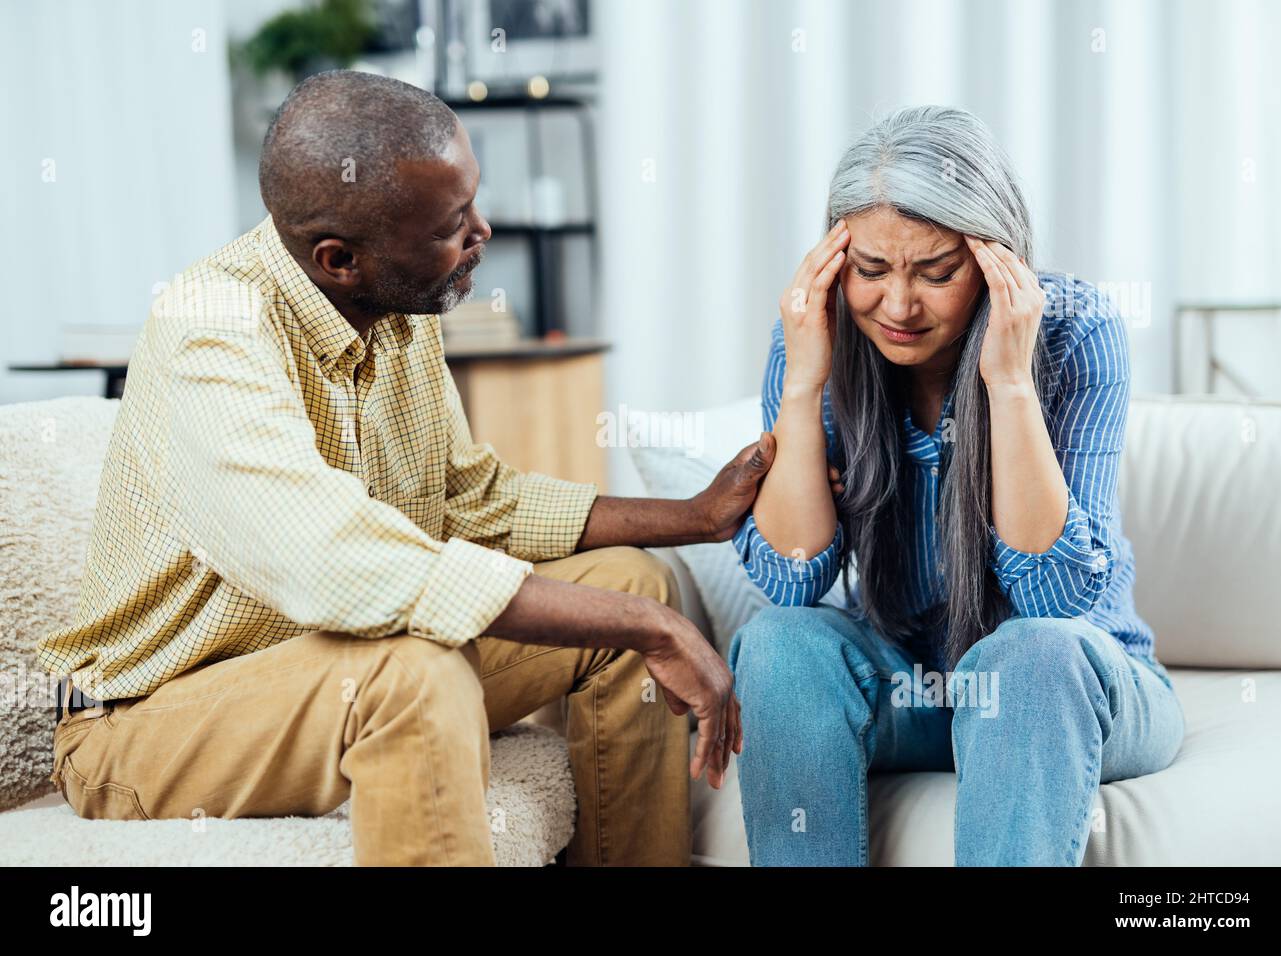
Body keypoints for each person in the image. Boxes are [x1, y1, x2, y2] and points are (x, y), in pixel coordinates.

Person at [37, 70, 764, 867]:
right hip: (144, 726)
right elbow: (334, 560)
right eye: (453, 225)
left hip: (325, 671)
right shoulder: (207, 329)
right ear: (339, 259)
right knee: (416, 673)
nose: (482, 232)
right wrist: (650, 629)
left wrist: (695, 518)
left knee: (631, 584)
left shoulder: (394, 307)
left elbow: (467, 500)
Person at [727, 105, 1185, 866]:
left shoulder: (1076, 331)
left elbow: (1054, 597)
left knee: (1033, 653)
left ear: (993, 256)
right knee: (777, 644)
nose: (899, 305)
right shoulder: (817, 332)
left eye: (937, 273)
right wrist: (804, 385)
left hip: (1068, 684)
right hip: (911, 687)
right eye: (871, 271)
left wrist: (1009, 383)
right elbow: (789, 576)